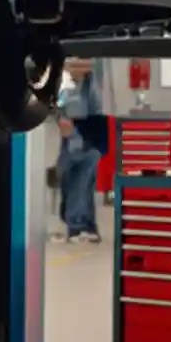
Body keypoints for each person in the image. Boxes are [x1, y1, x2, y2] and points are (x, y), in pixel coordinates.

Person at [54, 59, 106, 243]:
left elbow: (97, 111)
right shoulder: (63, 84)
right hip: (70, 139)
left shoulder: (91, 86)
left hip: (88, 139)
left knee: (83, 182)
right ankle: (77, 223)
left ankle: (80, 225)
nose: (81, 69)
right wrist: (60, 118)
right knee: (72, 183)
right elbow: (57, 105)